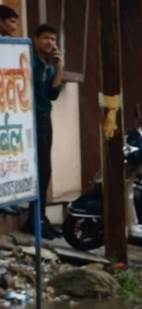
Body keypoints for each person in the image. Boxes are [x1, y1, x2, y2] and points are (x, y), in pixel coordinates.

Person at [29, 24, 63, 238]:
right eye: (46, 38)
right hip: (27, 119)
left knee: (44, 169)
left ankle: (39, 216)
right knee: (33, 168)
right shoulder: (29, 61)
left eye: (53, 38)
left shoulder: (49, 66)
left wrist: (60, 67)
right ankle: (33, 218)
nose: (50, 42)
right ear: (35, 39)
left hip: (43, 119)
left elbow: (53, 94)